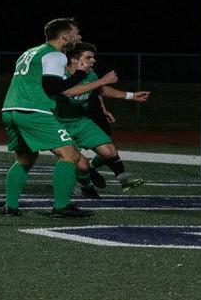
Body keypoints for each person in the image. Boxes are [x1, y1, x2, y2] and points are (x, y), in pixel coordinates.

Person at [0, 18, 118, 218]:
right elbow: (53, 88)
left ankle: (10, 207)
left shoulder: (30, 52)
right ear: (65, 36)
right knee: (70, 155)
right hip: (34, 111)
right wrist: (80, 73)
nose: (78, 37)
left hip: (10, 110)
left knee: (25, 158)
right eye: (75, 33)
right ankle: (61, 207)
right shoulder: (55, 55)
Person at [58, 42, 149, 196]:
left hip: (81, 120)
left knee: (109, 150)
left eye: (93, 57)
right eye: (88, 57)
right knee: (81, 166)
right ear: (74, 60)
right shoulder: (59, 74)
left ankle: (124, 181)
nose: (93, 60)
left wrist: (130, 95)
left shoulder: (90, 74)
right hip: (59, 124)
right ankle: (86, 188)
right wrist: (103, 80)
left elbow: (99, 89)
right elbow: (69, 92)